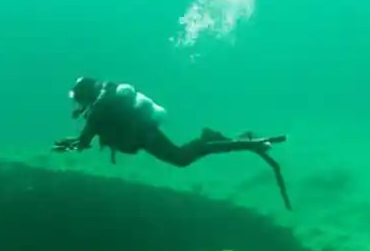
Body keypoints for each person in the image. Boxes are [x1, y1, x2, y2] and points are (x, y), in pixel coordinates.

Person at [53, 76, 292, 210]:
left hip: (146, 137)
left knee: (181, 158)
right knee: (181, 156)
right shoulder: (106, 98)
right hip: (145, 133)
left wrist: (66, 145)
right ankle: (218, 139)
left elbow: (84, 143)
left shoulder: (98, 111)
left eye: (78, 99)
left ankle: (217, 139)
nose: (77, 105)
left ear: (86, 95)